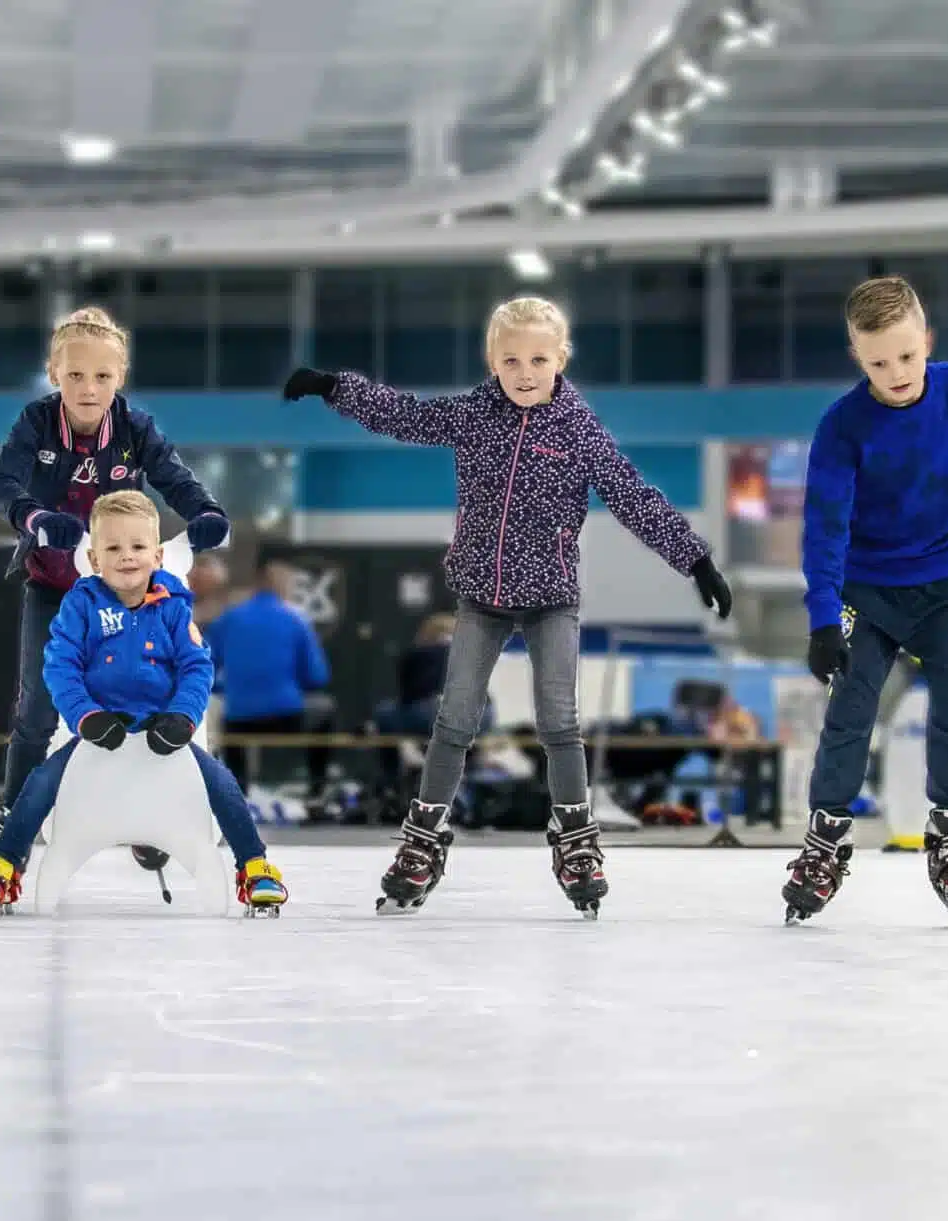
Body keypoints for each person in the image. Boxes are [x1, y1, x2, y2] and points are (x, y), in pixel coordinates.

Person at [283, 295, 732, 918]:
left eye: (539, 359)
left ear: (561, 359)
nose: (525, 372)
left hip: (552, 598)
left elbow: (632, 495)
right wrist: (335, 388)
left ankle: (576, 839)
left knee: (559, 720)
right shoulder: (476, 415)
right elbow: (406, 417)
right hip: (481, 597)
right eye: (512, 359)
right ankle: (424, 838)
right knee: (454, 719)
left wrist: (696, 559)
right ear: (492, 360)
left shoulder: (579, 431)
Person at [0, 307, 231, 900]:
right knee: (37, 712)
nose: (88, 389)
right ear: (55, 373)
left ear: (119, 378)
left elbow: (175, 478)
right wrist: (33, 515)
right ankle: (9, 843)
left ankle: (157, 820)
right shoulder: (36, 423)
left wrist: (205, 513)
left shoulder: (134, 427)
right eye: (75, 376)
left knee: (152, 698)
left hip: (127, 594)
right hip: (54, 587)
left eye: (102, 378)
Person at [786, 275, 948, 926]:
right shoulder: (842, 427)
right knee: (851, 709)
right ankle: (826, 840)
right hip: (868, 591)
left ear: (926, 341)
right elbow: (825, 529)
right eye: (877, 363)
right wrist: (822, 619)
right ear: (857, 359)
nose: (894, 373)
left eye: (905, 356)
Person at [0, 491, 286, 914]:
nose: (126, 557)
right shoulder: (80, 607)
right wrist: (86, 717)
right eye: (113, 548)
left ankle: (254, 864)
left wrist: (183, 718)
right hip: (98, 731)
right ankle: (4, 862)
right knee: (40, 781)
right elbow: (61, 668)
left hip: (162, 731)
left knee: (220, 782)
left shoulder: (173, 610)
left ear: (156, 555)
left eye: (137, 547)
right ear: (95, 559)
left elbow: (196, 668)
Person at [207, 560, 334, 794]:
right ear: (284, 588)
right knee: (325, 709)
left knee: (221, 714)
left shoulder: (228, 619)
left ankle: (238, 791)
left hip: (238, 720)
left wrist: (228, 689)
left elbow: (204, 665)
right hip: (287, 717)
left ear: (256, 584)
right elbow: (317, 676)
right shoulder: (296, 619)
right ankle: (318, 787)